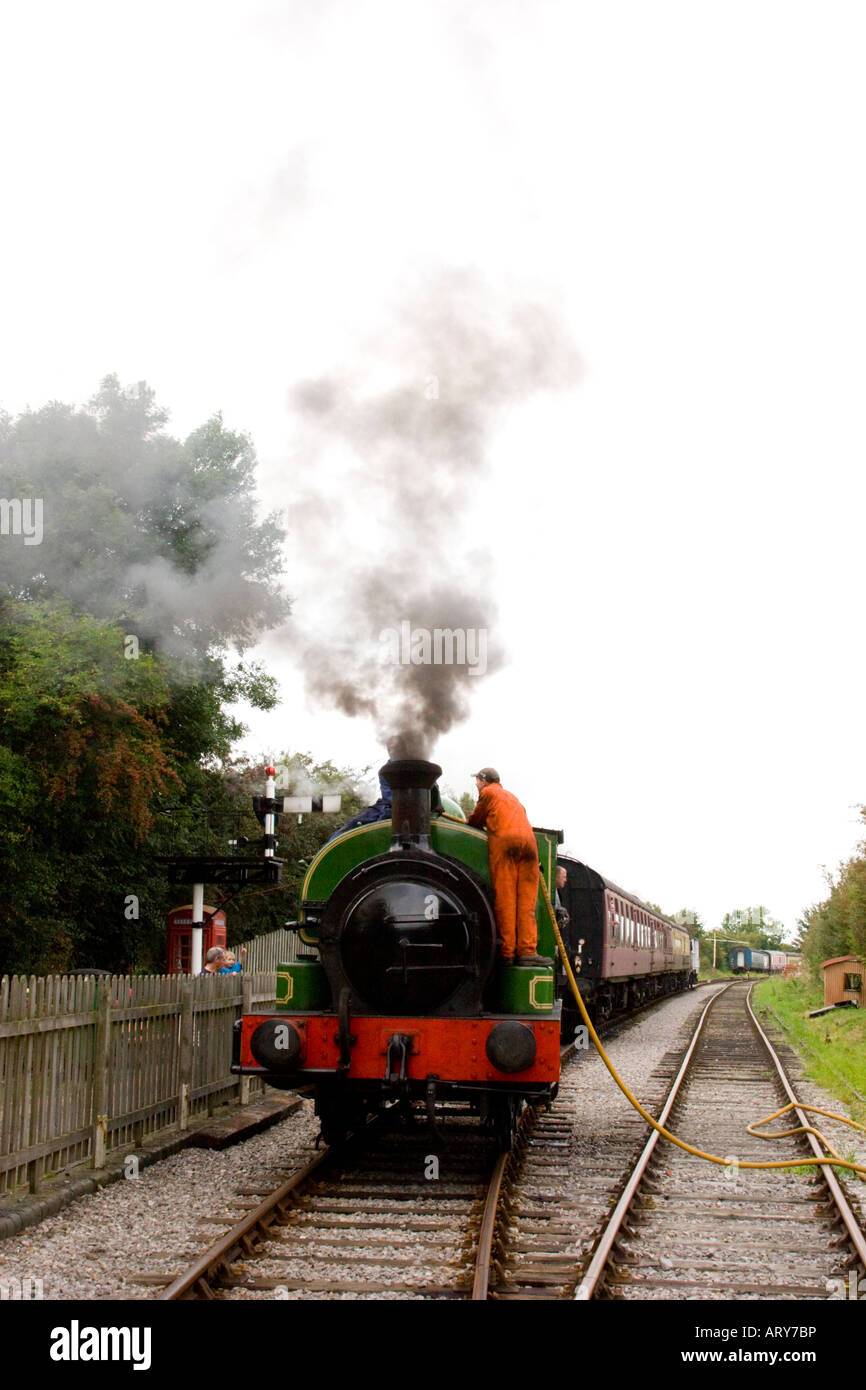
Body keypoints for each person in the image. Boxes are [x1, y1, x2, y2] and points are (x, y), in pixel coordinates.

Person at [467, 767, 552, 967]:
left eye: (477, 781)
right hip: (530, 848)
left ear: (484, 781)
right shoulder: (513, 798)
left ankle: (507, 952)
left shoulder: (488, 793)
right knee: (526, 902)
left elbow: (475, 821)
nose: (476, 785)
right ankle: (527, 951)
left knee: (506, 898)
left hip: (506, 844)